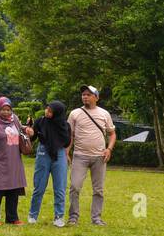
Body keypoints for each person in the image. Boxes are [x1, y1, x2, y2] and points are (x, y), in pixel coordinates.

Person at [66, 86, 115, 227]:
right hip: (80, 156)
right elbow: (71, 135)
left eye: (88, 94)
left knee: (98, 190)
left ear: (96, 97)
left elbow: (112, 134)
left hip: (99, 157)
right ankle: (73, 217)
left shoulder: (104, 114)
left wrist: (109, 149)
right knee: (75, 187)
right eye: (83, 94)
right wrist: (66, 152)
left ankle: (96, 218)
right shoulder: (74, 113)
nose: (85, 97)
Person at [0, 97, 29, 225]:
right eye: (3, 109)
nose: (6, 112)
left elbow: (20, 129)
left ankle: (12, 217)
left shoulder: (14, 119)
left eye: (8, 110)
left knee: (14, 188)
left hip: (14, 160)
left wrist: (27, 129)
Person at [26, 100, 70, 227]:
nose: (47, 112)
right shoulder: (40, 121)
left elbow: (66, 143)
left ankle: (59, 217)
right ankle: (33, 215)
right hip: (43, 152)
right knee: (39, 186)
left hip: (59, 154)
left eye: (50, 111)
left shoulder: (65, 125)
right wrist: (31, 132)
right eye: (47, 109)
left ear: (57, 113)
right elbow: (33, 137)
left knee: (60, 188)